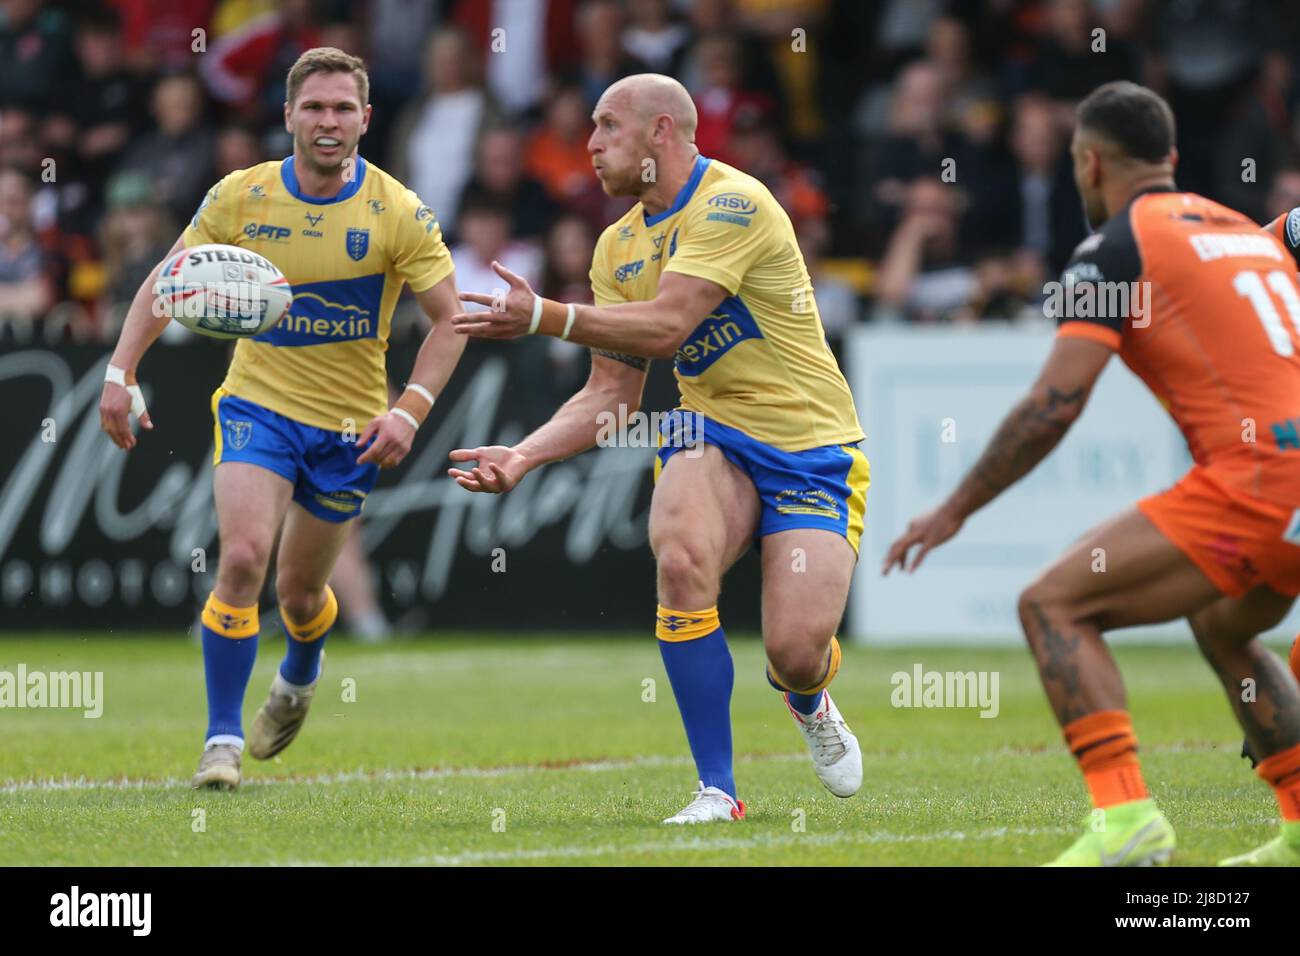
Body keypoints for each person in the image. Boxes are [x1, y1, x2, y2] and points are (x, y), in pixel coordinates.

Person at [884, 81, 1300, 867]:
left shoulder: (1116, 248)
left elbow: (1054, 403)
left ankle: (1126, 820)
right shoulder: (1245, 231)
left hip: (1258, 479)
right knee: (1225, 624)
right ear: (1170, 159)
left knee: (1052, 604)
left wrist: (954, 511)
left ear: (1087, 162)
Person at [447, 73, 868, 824]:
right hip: (709, 431)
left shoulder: (734, 203)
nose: (591, 143)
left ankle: (808, 696)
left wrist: (544, 314)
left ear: (661, 132)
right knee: (678, 557)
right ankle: (718, 791)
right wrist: (523, 455)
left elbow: (670, 325)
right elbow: (612, 395)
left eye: (607, 126)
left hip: (809, 443)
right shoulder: (617, 246)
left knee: (795, 651)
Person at [98, 47, 466, 790]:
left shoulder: (397, 211)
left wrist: (410, 413)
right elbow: (167, 281)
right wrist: (119, 369)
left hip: (349, 429)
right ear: (288, 115)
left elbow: (452, 321)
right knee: (241, 560)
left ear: (366, 118)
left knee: (301, 595)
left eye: (341, 109)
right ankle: (222, 741)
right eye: (313, 108)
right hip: (257, 406)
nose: (327, 123)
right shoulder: (242, 195)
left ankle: (300, 672)